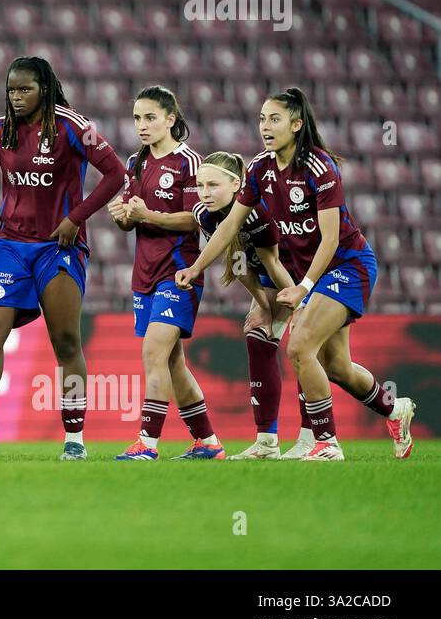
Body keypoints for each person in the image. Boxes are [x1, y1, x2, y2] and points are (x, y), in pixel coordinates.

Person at [176, 88, 416, 461]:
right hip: (315, 273)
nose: (265, 127)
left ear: (296, 124)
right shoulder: (259, 168)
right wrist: (196, 266)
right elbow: (227, 228)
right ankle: (395, 408)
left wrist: (303, 287)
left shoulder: (320, 168)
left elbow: (332, 238)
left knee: (300, 346)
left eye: (274, 119)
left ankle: (326, 442)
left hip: (347, 265)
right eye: (261, 119)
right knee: (336, 366)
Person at [0, 57, 124, 461]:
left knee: (66, 342)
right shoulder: (1, 131)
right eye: (11, 90)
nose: (17, 98)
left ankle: (74, 441)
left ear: (46, 89)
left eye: (25, 90)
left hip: (58, 247)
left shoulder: (73, 126)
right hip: (11, 246)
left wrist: (76, 218)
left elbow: (116, 175)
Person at [107, 86, 222, 460]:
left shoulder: (189, 162)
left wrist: (146, 215)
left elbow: (195, 218)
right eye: (137, 118)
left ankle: (147, 444)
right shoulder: (135, 162)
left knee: (154, 351)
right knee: (173, 362)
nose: (142, 125)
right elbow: (133, 220)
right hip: (144, 273)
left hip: (179, 272)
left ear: (170, 119)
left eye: (150, 117)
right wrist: (124, 217)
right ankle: (207, 442)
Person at [189, 150, 302, 459]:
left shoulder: (255, 211)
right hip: (266, 278)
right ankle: (268, 441)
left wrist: (299, 299)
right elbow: (237, 262)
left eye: (213, 185)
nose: (205, 193)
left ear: (236, 185)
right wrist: (259, 302)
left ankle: (318, 437)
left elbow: (273, 262)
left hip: (296, 272)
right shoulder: (204, 215)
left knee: (318, 354)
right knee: (258, 337)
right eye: (200, 186)